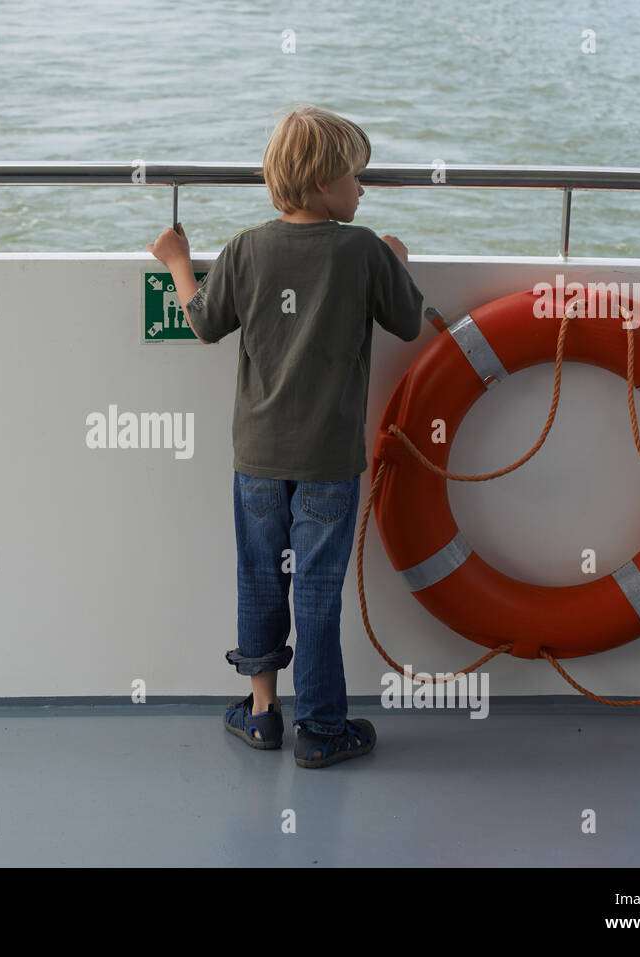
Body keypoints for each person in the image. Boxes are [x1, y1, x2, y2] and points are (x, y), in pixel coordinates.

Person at [146, 104, 423, 768]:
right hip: (329, 462)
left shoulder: (245, 248)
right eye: (357, 177)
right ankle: (324, 729)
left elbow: (205, 322)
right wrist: (398, 259)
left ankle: (264, 713)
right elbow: (409, 321)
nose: (363, 189)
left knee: (260, 581)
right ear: (325, 184)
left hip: (259, 459)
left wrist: (178, 259)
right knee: (318, 595)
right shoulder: (361, 251)